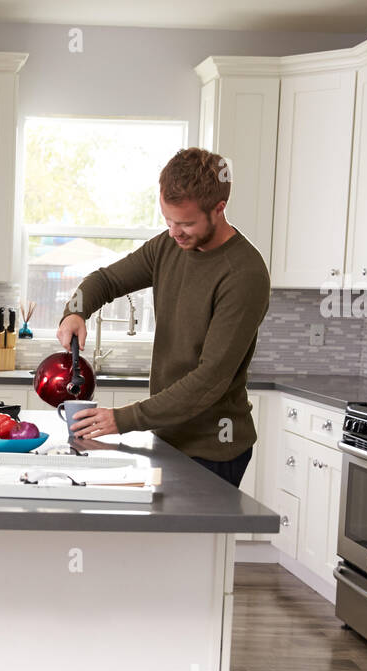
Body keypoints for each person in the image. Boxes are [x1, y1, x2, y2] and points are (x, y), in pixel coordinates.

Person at [57, 147, 270, 488]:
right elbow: (106, 280)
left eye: (186, 223)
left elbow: (208, 380)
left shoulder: (243, 274)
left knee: (196, 544)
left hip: (213, 449)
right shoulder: (168, 246)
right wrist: (75, 311)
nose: (174, 232)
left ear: (219, 208)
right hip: (167, 438)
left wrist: (122, 419)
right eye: (168, 220)